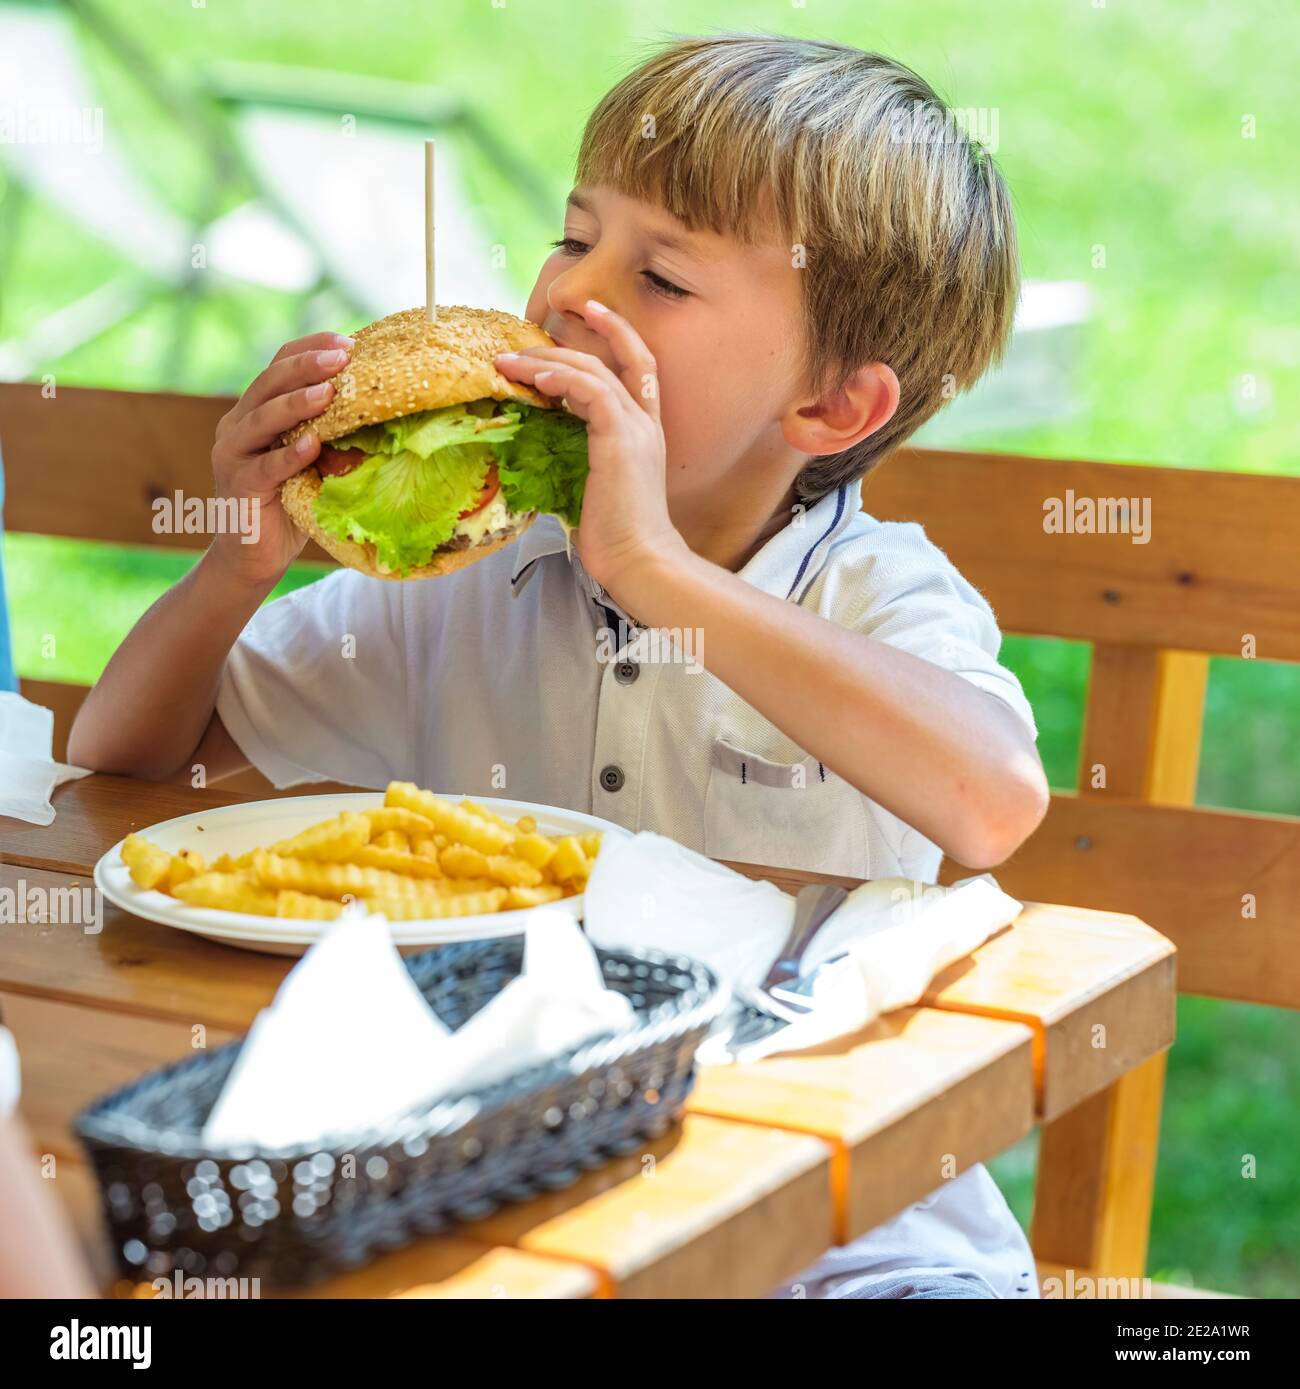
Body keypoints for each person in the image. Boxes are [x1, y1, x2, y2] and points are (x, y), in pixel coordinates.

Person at [69, 34, 1049, 1298]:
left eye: (661, 276)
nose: (566, 295)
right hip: (503, 1202)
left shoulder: (868, 591)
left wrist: (659, 572)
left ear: (829, 409)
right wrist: (239, 569)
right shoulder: (465, 578)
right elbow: (125, 758)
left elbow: (993, 799)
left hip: (840, 1226)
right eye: (571, 236)